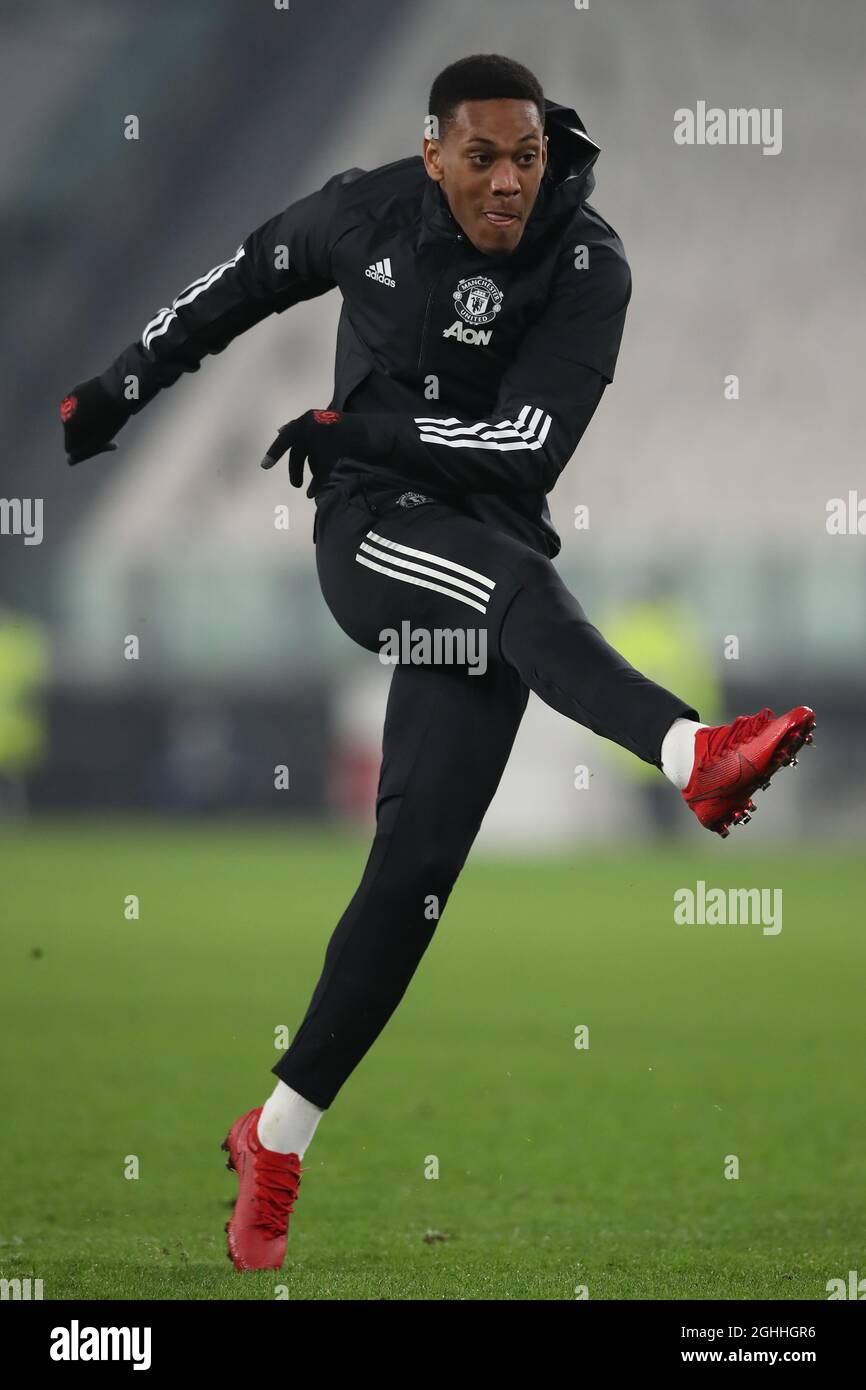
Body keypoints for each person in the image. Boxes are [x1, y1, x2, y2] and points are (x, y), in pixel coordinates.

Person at [60, 54, 815, 1272]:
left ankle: (275, 1132)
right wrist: (117, 387)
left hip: (483, 541)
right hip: (368, 530)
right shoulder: (364, 213)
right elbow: (240, 282)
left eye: (524, 157)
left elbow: (524, 445)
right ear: (431, 156)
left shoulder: (586, 263)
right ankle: (690, 749)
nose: (509, 180)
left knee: (412, 872)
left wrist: (353, 418)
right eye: (482, 158)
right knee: (513, 587)